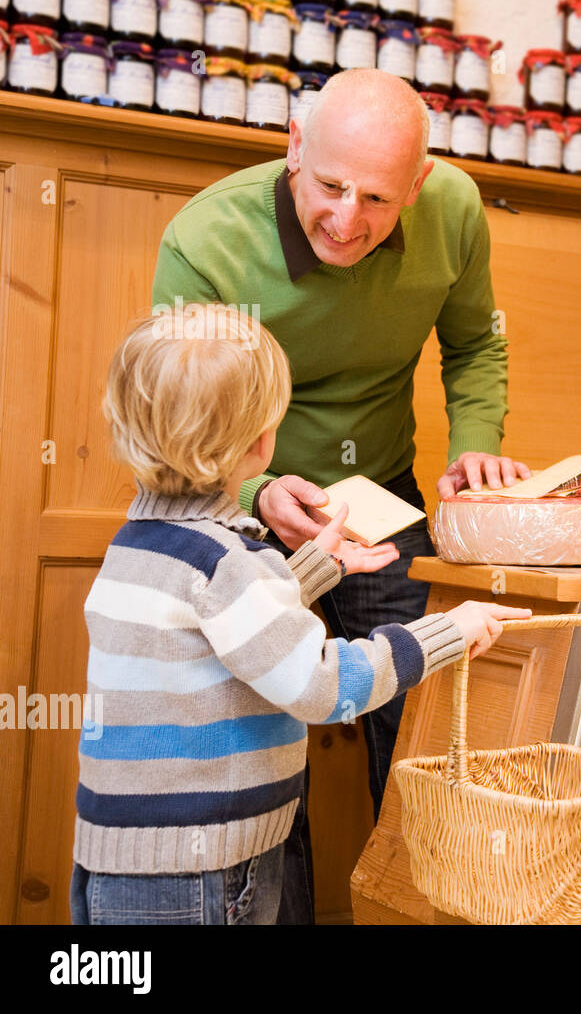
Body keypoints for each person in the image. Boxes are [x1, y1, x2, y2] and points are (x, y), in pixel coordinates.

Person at [150, 69, 530, 922]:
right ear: (293, 145)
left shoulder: (457, 211)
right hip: (236, 508)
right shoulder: (204, 238)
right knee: (261, 743)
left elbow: (475, 347)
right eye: (329, 186)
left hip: (383, 504)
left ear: (420, 187)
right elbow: (176, 418)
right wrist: (251, 484)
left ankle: (424, 909)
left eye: (379, 199)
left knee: (423, 733)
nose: (347, 220)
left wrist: (475, 452)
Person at [71, 306, 530, 925]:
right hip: (206, 873)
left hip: (120, 860)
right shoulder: (229, 563)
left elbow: (224, 631)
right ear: (263, 443)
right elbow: (319, 686)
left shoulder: (141, 542)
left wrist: (316, 566)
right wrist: (444, 634)